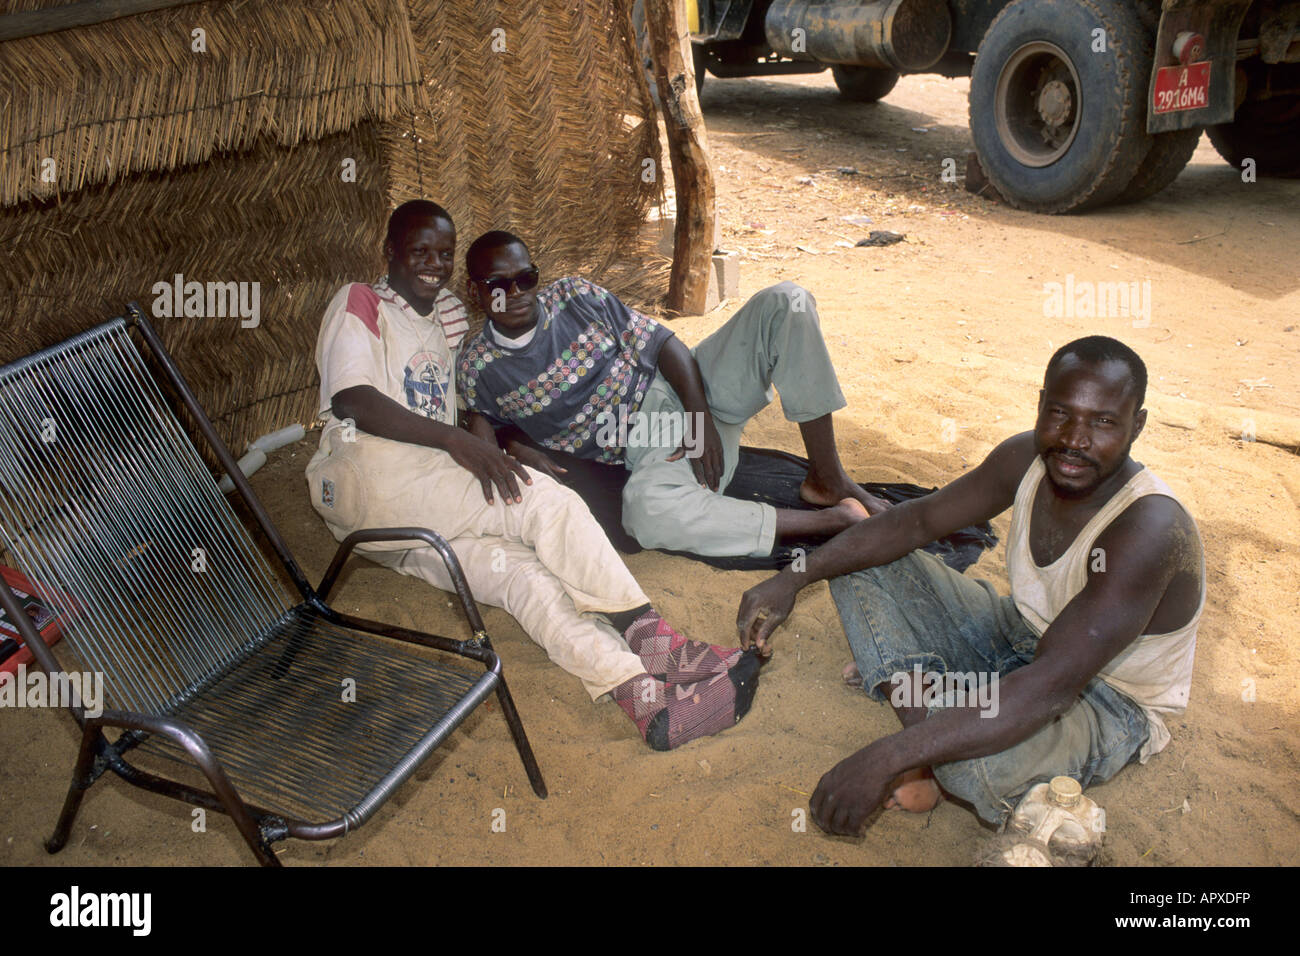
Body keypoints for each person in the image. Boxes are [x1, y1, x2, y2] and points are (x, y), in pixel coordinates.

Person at [305, 200, 759, 751]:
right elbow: (352, 400)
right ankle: (660, 646)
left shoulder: (449, 317)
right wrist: (458, 443)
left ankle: (643, 699)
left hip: (400, 528)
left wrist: (502, 442)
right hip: (368, 470)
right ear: (389, 254)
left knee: (524, 580)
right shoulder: (361, 301)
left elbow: (471, 413)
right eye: (419, 252)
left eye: (443, 255)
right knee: (545, 502)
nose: (432, 264)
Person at [736, 336, 1204, 835]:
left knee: (975, 767)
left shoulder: (1150, 529)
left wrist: (886, 757)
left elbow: (1051, 686)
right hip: (1019, 632)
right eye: (1061, 413)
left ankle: (937, 751)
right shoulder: (1023, 458)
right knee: (859, 554)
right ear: (1041, 404)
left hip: (1103, 696)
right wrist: (795, 576)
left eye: (1104, 421)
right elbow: (914, 523)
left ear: (1138, 426)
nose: (1075, 439)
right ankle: (943, 735)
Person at [455, 230, 890, 560]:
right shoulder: (478, 367)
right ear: (475, 292)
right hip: (651, 442)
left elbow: (665, 344)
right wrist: (515, 447)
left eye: (525, 279)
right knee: (645, 513)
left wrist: (699, 421)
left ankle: (828, 479)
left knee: (786, 301)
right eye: (498, 284)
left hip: (693, 384)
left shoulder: (575, 295)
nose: (515, 294)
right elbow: (483, 431)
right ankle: (829, 521)